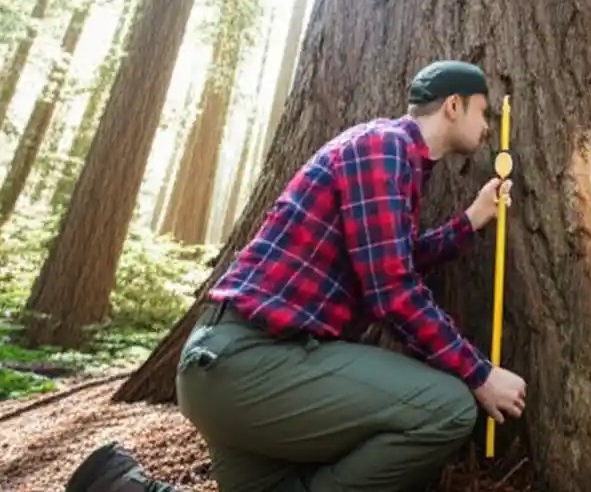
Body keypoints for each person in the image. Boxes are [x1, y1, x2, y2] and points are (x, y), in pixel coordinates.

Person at [65, 60, 527, 492]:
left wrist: (467, 222)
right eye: (483, 111)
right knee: (447, 409)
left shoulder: (390, 157)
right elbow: (391, 289)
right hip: (253, 360)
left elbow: (389, 259)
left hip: (231, 365)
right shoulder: (386, 147)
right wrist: (479, 373)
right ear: (453, 105)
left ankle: (114, 482)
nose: (488, 128)